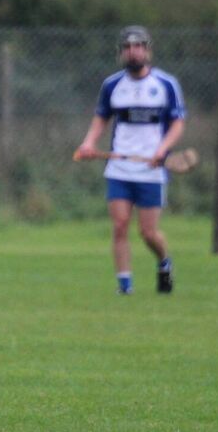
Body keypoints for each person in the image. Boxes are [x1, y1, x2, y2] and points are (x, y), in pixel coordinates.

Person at [74, 26, 186, 295]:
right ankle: (125, 285)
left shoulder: (165, 84)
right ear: (121, 53)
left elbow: (177, 123)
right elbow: (101, 118)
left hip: (151, 170)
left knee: (148, 232)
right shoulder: (112, 85)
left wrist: (162, 150)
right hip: (119, 168)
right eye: (127, 47)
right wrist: (89, 143)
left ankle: (164, 263)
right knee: (120, 225)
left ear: (147, 51)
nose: (132, 52)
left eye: (138, 46)